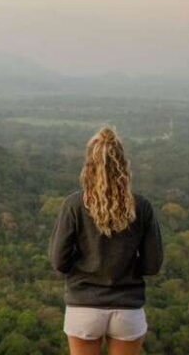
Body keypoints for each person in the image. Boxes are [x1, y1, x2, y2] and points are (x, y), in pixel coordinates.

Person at [49, 127, 164, 355]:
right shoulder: (141, 207)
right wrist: (126, 268)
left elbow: (59, 262)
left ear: (88, 166)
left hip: (84, 308)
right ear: (122, 164)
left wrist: (85, 265)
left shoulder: (74, 206)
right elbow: (152, 265)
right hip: (127, 309)